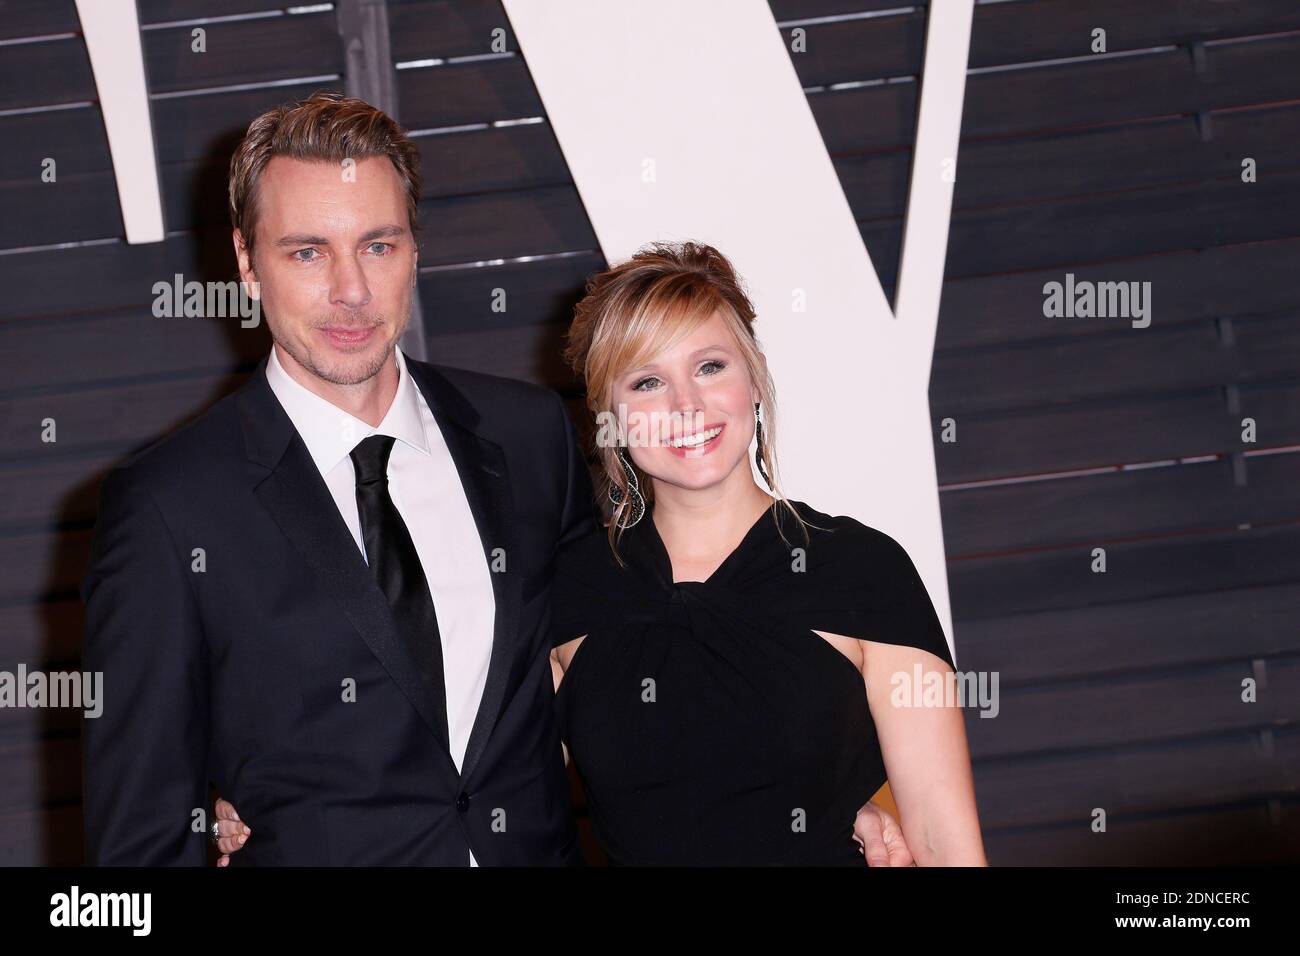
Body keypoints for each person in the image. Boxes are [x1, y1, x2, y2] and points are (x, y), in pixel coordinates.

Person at [84, 91, 910, 866]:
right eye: (307, 251)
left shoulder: (526, 436)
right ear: (246, 261)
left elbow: (639, 663)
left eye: (378, 244)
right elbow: (139, 841)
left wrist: (839, 790)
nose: (350, 290)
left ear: (413, 249)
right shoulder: (168, 507)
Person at [213, 232, 981, 866]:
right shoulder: (568, 590)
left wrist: (870, 805)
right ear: (609, 416)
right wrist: (245, 793)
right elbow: (439, 766)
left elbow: (947, 844)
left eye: (710, 367)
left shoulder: (862, 570)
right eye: (646, 383)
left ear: (753, 378)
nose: (686, 406)